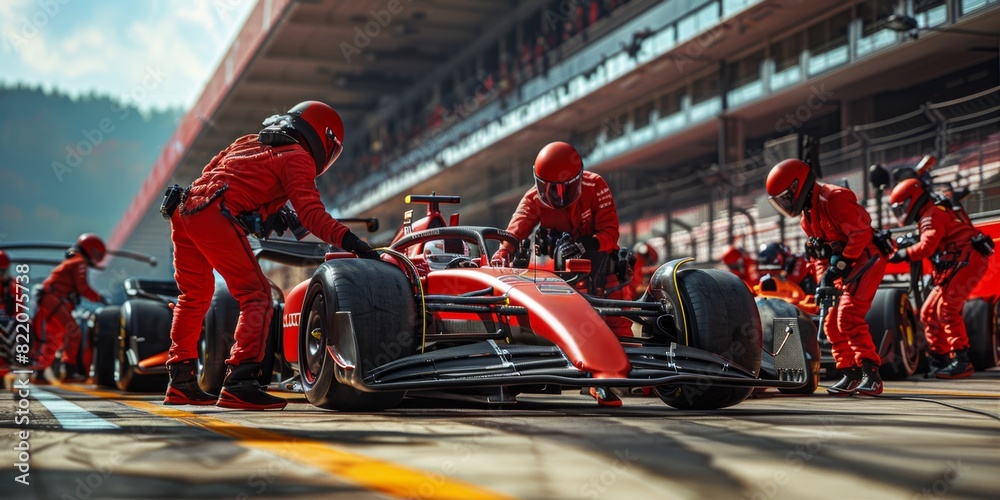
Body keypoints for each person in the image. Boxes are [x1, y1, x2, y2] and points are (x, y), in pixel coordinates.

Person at [165, 101, 380, 410]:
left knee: (194, 296)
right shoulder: (297, 158)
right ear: (325, 139)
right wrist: (358, 245)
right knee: (257, 295)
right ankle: (240, 383)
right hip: (213, 213)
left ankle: (180, 382)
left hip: (183, 209)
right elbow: (313, 217)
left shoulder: (248, 141)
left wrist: (266, 209)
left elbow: (216, 176)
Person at [491, 141, 629, 406]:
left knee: (615, 316)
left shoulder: (596, 186)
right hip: (556, 276)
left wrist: (584, 246)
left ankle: (619, 367)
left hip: (597, 264)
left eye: (564, 187)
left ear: (577, 180)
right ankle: (575, 364)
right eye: (549, 187)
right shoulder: (533, 199)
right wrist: (501, 256)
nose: (557, 194)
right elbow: (511, 235)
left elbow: (610, 234)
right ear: (538, 181)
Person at [766, 159, 885, 395]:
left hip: (866, 259)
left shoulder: (835, 198)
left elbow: (861, 234)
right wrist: (824, 281)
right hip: (844, 266)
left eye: (786, 196)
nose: (786, 203)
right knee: (831, 323)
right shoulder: (806, 218)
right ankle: (850, 374)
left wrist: (840, 264)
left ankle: (872, 375)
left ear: (798, 186)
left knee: (848, 318)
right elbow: (819, 256)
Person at [888, 179, 989, 379]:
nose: (902, 212)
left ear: (912, 200)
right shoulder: (931, 213)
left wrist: (901, 254)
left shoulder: (932, 215)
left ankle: (961, 360)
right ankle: (940, 359)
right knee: (927, 313)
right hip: (956, 263)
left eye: (902, 206)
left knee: (947, 309)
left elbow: (927, 247)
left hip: (967, 261)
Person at [31, 234, 109, 383]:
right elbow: (83, 288)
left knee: (56, 336)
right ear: (91, 250)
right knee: (74, 333)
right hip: (53, 299)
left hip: (49, 299)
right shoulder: (79, 262)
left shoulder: (73, 260)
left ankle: (39, 372)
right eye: (97, 254)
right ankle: (69, 371)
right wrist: (100, 298)